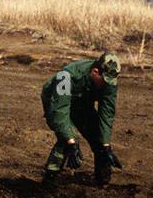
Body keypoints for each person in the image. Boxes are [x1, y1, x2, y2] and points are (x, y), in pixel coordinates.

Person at [40, 52, 123, 184]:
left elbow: (107, 113)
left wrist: (106, 145)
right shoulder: (66, 76)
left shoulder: (109, 81)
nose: (107, 85)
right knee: (67, 138)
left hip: (82, 104)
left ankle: (103, 182)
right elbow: (60, 112)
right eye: (104, 81)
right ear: (95, 72)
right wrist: (71, 143)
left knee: (99, 139)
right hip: (56, 102)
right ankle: (50, 177)